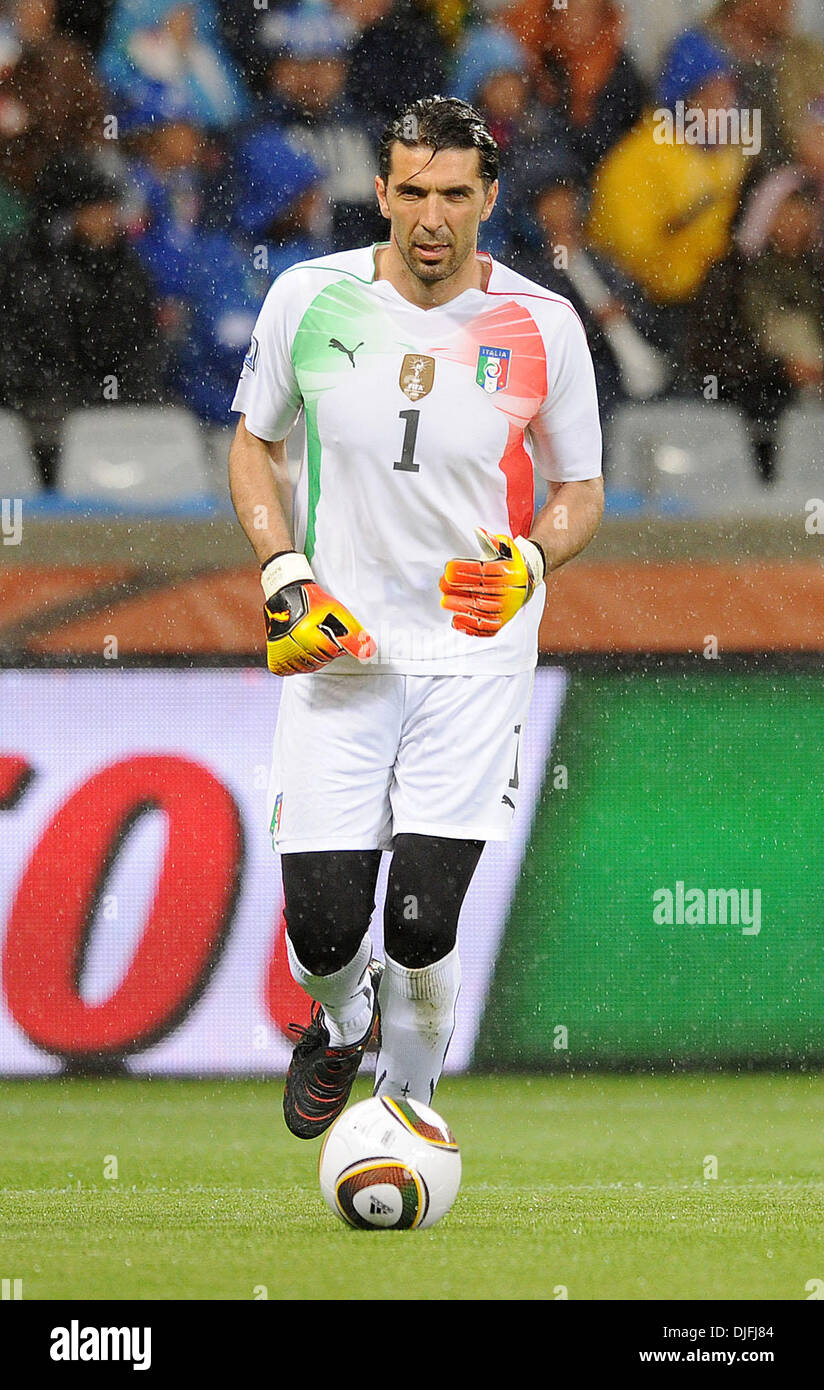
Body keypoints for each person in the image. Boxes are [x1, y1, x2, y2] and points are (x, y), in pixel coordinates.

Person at [228, 96, 603, 1137]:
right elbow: (252, 444)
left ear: (487, 197)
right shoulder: (307, 299)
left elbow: (581, 489)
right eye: (409, 192)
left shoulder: (541, 324)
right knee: (323, 926)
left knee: (423, 920)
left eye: (451, 194)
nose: (429, 217)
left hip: (474, 657)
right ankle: (341, 1019)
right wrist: (281, 568)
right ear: (381, 192)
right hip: (337, 648)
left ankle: (403, 1121)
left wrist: (531, 558)